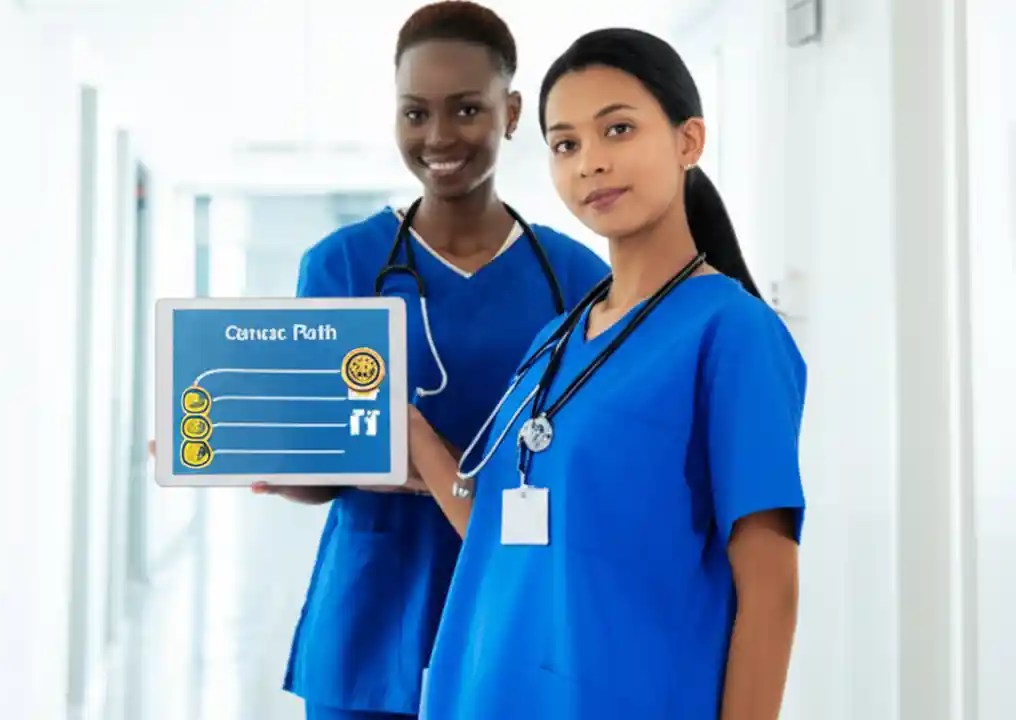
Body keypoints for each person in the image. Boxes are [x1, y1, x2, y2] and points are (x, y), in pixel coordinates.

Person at [410, 28, 805, 719]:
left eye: (617, 129)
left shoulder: (730, 333)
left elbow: (770, 588)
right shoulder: (557, 337)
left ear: (688, 142)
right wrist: (409, 430)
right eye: (566, 144)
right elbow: (506, 530)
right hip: (485, 691)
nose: (589, 162)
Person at [258, 4, 611, 719]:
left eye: (467, 110)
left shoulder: (574, 279)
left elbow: (582, 463)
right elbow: (308, 473)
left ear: (511, 113)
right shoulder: (344, 265)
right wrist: (253, 446)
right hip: (369, 622)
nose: (440, 136)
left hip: (516, 606)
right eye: (415, 113)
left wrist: (408, 459)